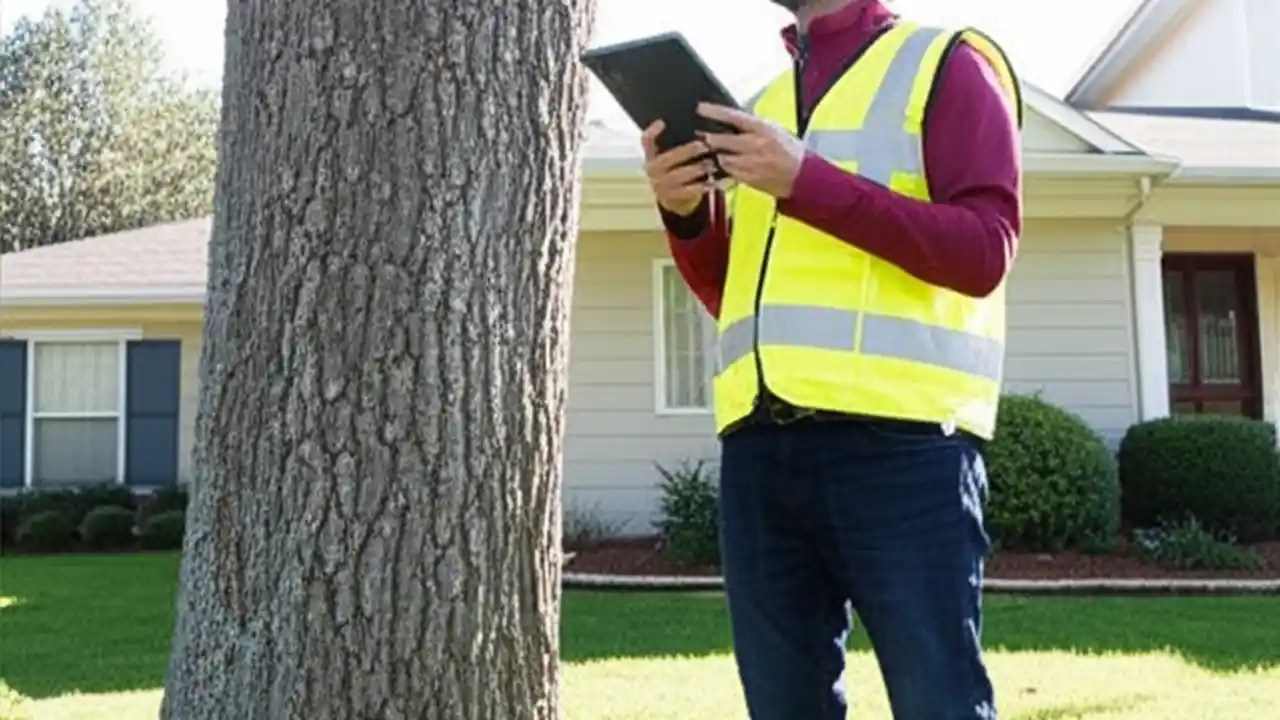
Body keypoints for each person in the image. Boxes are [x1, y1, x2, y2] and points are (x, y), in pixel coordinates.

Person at [639, 0, 1023, 718]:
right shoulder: (758, 107)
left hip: (904, 451)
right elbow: (735, 293)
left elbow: (984, 251)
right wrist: (685, 210)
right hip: (761, 454)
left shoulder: (948, 65)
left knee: (940, 705)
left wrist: (805, 181)